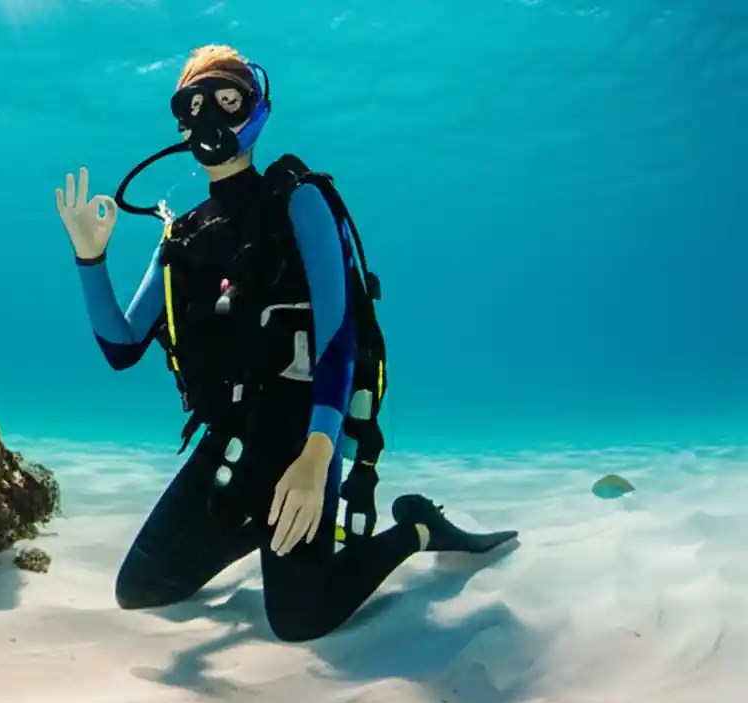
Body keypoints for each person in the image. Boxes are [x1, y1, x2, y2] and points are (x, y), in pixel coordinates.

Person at [55, 44, 518, 642]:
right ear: (180, 120)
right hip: (231, 439)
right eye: (195, 104)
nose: (211, 118)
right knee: (140, 590)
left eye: (229, 99)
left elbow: (338, 332)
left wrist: (319, 452)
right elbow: (121, 348)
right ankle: (263, 527)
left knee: (299, 621)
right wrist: (89, 257)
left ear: (258, 112)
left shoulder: (298, 200)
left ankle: (417, 530)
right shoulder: (184, 236)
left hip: (302, 437)